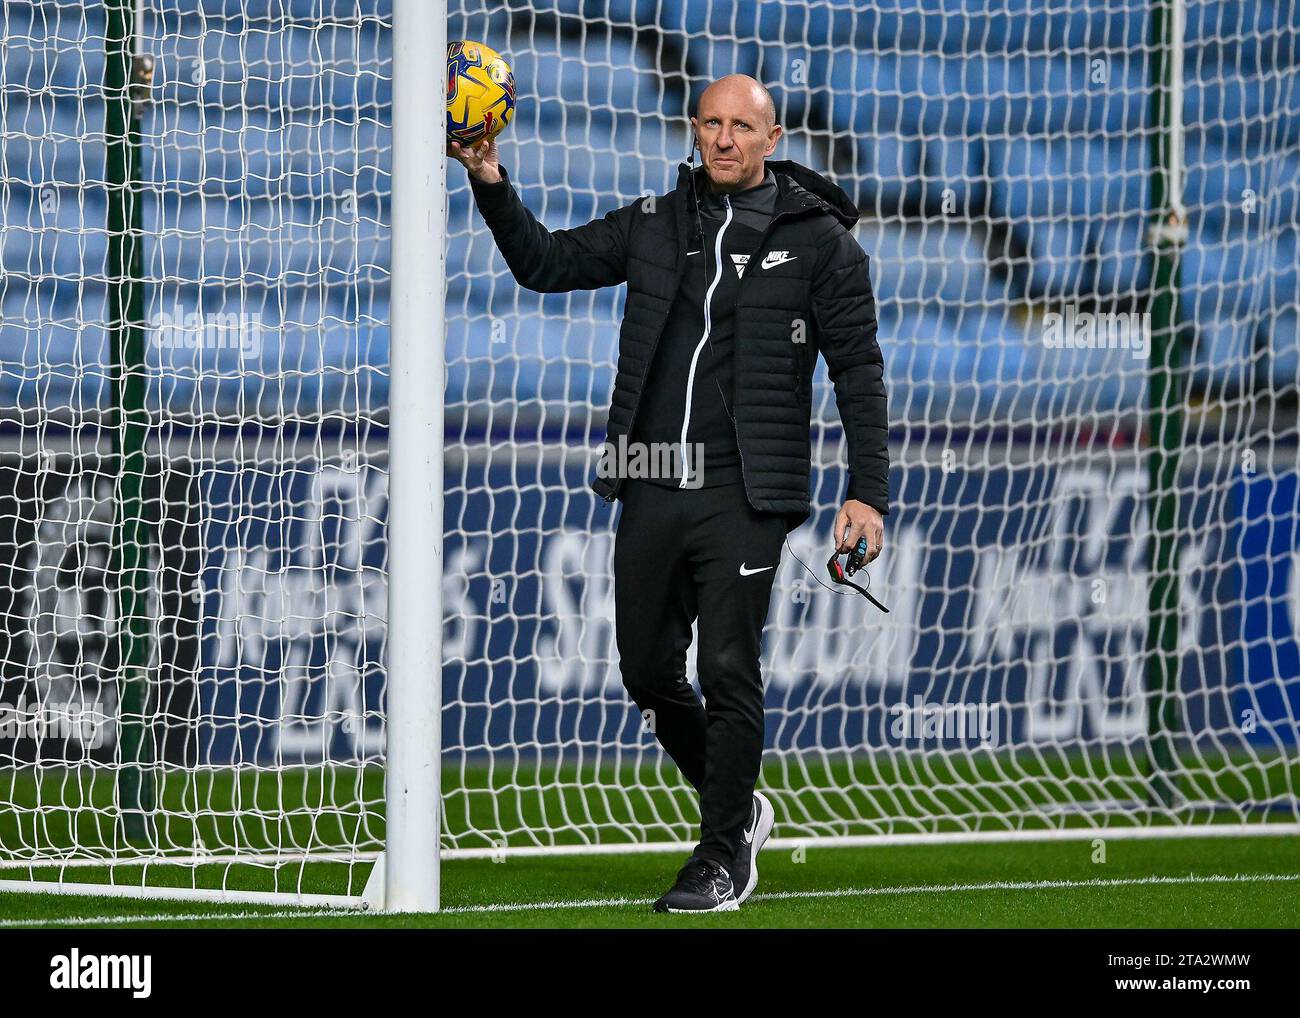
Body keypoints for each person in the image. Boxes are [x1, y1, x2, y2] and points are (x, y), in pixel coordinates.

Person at [451, 73, 889, 913]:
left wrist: (865, 493)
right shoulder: (654, 227)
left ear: (772, 138)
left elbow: (859, 371)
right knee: (648, 670)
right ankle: (744, 807)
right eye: (711, 124)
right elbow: (545, 264)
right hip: (651, 478)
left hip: (748, 491)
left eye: (741, 127)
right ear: (694, 131)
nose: (724, 140)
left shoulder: (823, 243)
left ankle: (721, 855)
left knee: (729, 666)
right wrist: (489, 180)